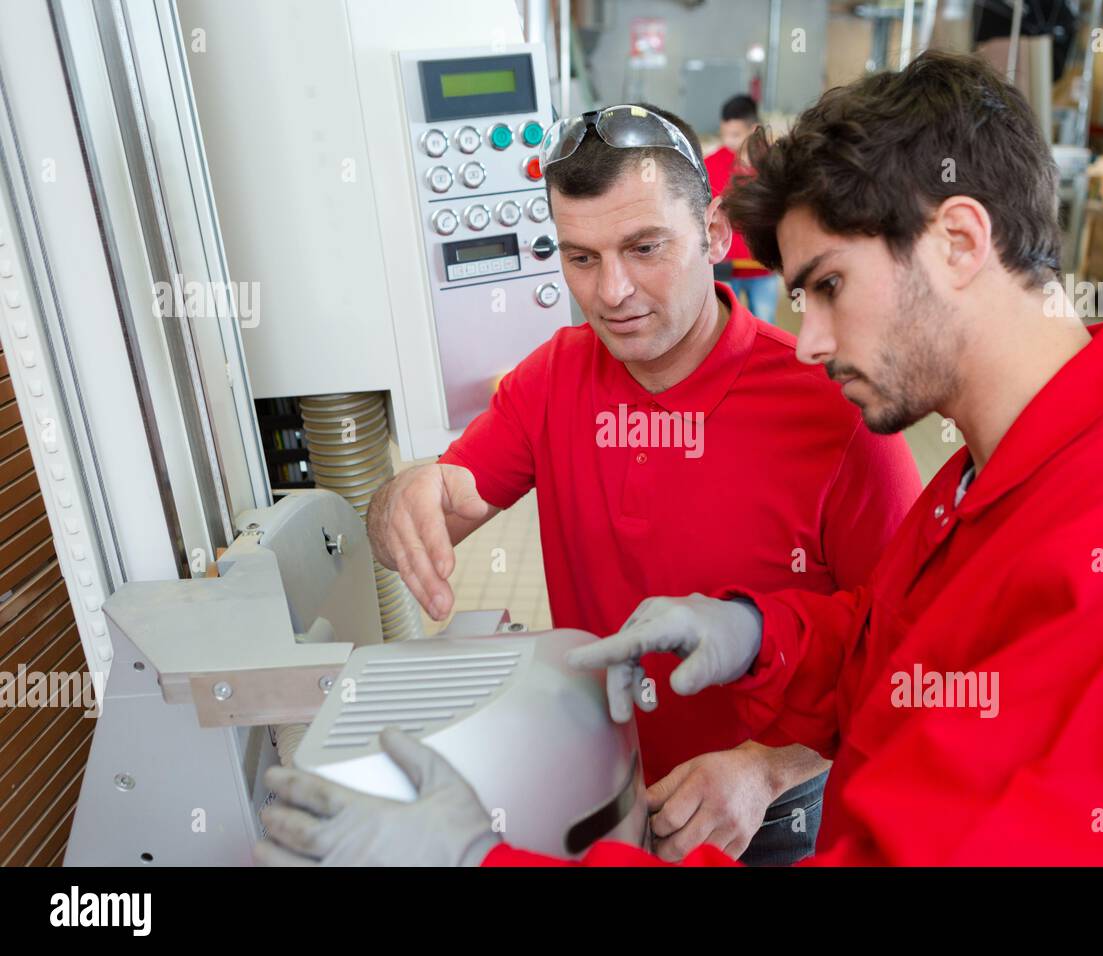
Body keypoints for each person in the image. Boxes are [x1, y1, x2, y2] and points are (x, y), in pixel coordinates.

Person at [256, 52, 1103, 868]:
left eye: (830, 285)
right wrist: (757, 628)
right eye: (581, 259)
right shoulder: (991, 471)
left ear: (957, 240)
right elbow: (901, 650)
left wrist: (480, 857)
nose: (805, 339)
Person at [347, 103, 920, 866]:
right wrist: (400, 501)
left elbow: (906, 655)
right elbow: (440, 503)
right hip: (602, 788)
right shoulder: (552, 379)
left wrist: (766, 768)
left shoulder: (834, 414)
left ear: (714, 234)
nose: (612, 291)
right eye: (580, 257)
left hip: (762, 818)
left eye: (645, 247)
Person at [706, 95, 780, 325]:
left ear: (754, 129)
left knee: (766, 326)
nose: (729, 140)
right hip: (724, 269)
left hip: (763, 267)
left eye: (736, 135)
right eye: (725, 134)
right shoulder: (711, 164)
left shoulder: (773, 166)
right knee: (723, 328)